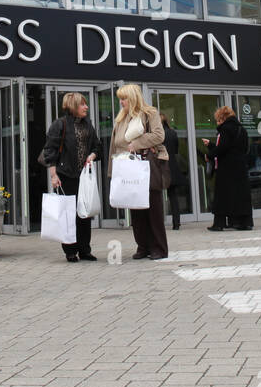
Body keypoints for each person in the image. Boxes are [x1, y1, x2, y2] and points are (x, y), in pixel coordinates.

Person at [109, 84, 168, 260]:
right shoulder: (120, 119)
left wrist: (137, 143)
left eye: (124, 98)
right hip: (127, 166)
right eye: (120, 98)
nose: (121, 102)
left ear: (133, 98)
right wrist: (113, 171)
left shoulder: (150, 113)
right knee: (136, 210)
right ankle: (143, 246)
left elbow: (159, 135)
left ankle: (159, 248)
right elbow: (114, 145)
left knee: (153, 208)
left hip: (146, 166)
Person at [43, 92, 103, 262]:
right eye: (82, 104)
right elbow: (50, 150)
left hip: (83, 177)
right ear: (73, 106)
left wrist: (92, 155)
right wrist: (53, 175)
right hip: (65, 175)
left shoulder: (88, 125)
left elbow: (97, 146)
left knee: (84, 213)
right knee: (68, 214)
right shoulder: (60, 124)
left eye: (86, 104)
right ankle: (70, 250)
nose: (86, 107)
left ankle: (85, 250)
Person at [204, 105, 251, 231]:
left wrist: (210, 154)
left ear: (222, 117)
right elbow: (243, 148)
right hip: (240, 167)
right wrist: (212, 146)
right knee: (240, 194)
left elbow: (223, 148)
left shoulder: (225, 129)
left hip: (226, 167)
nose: (217, 122)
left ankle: (219, 223)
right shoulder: (242, 129)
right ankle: (243, 222)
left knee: (222, 195)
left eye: (218, 119)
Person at [160, 111, 187, 230]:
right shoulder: (172, 133)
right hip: (172, 166)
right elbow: (176, 150)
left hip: (161, 165)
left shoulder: (158, 134)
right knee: (173, 195)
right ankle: (176, 222)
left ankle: (157, 223)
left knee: (156, 195)